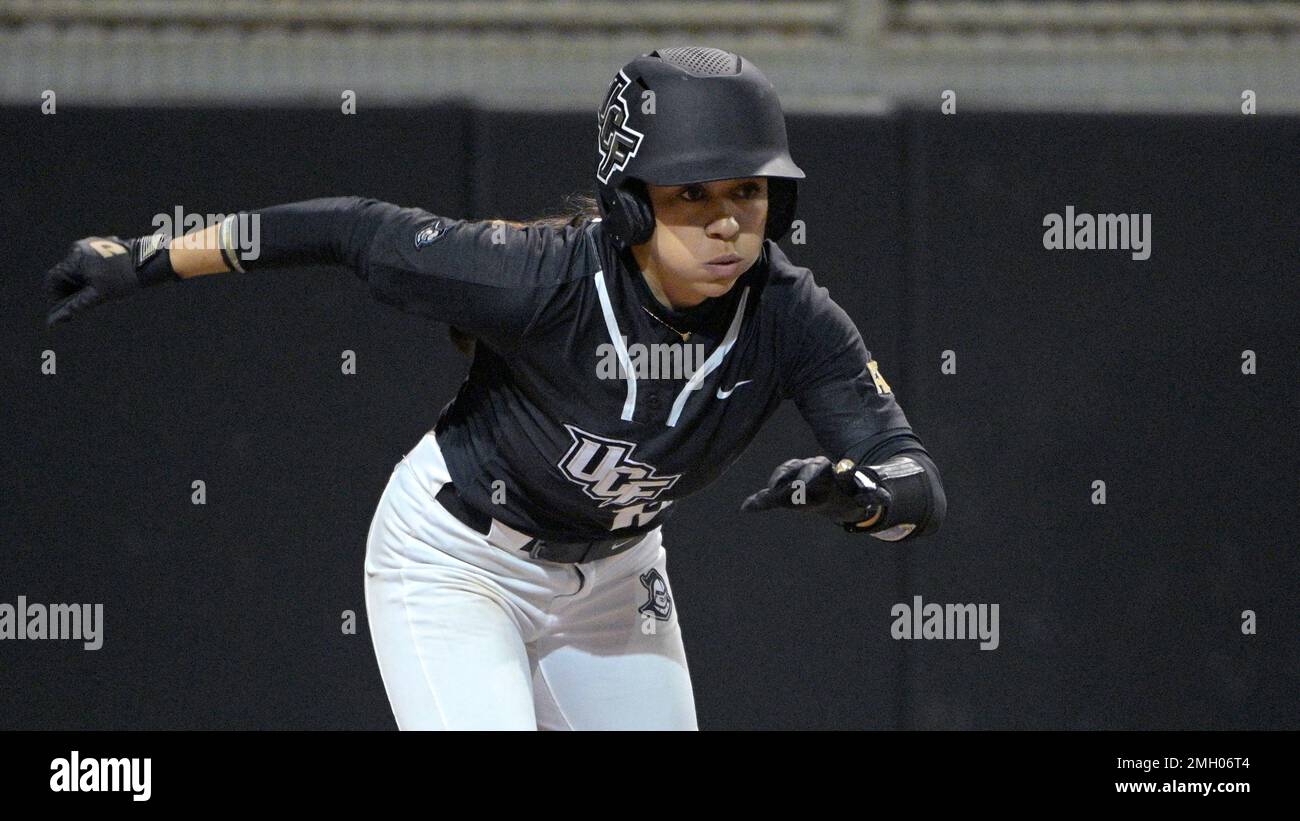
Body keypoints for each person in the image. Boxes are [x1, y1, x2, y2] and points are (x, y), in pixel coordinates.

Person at [42, 46, 946, 730]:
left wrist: (862, 497)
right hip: (456, 559)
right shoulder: (538, 276)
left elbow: (916, 485)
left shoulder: (793, 317)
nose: (724, 221)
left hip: (617, 577)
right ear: (630, 204)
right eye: (689, 193)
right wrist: (149, 258)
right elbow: (350, 231)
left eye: (747, 191)